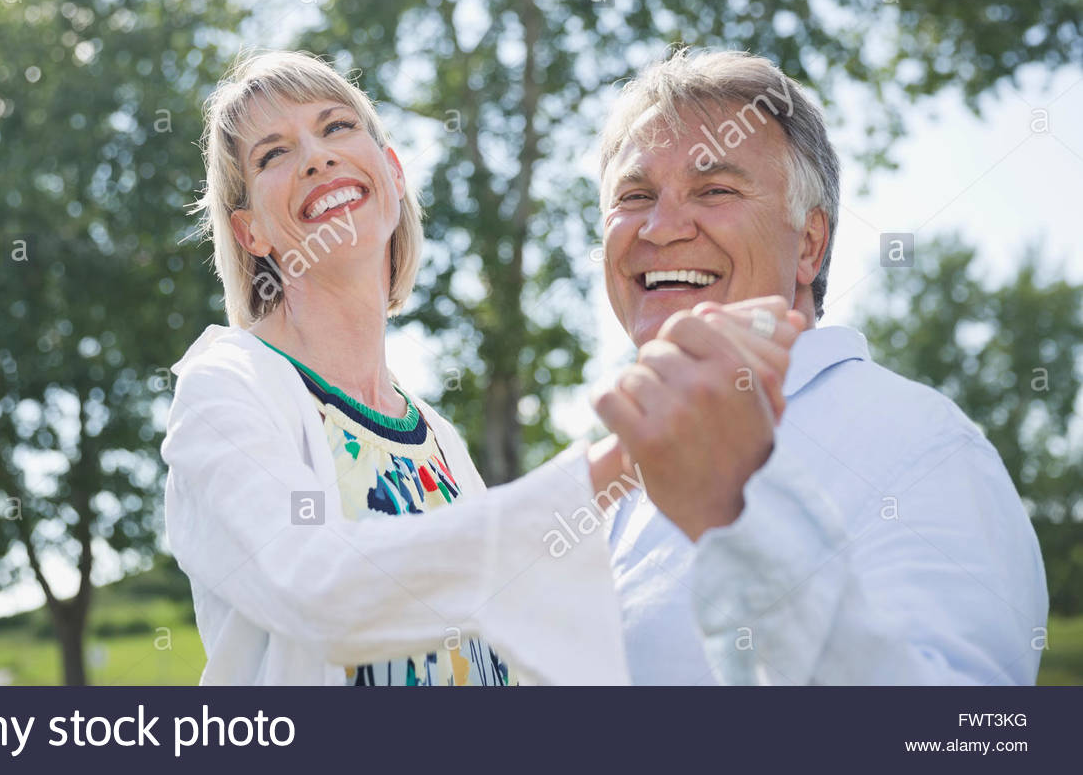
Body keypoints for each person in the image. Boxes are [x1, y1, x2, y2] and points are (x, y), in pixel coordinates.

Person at [161, 50, 801, 685]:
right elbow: (311, 586)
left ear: (391, 172)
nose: (315, 157)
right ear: (251, 234)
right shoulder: (226, 387)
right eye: (273, 154)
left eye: (336, 127)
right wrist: (622, 458)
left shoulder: (436, 437)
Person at [590, 49, 1049, 684]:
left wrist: (738, 524)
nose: (661, 227)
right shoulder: (604, 480)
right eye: (635, 196)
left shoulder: (926, 446)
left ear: (809, 244)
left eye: (715, 188)